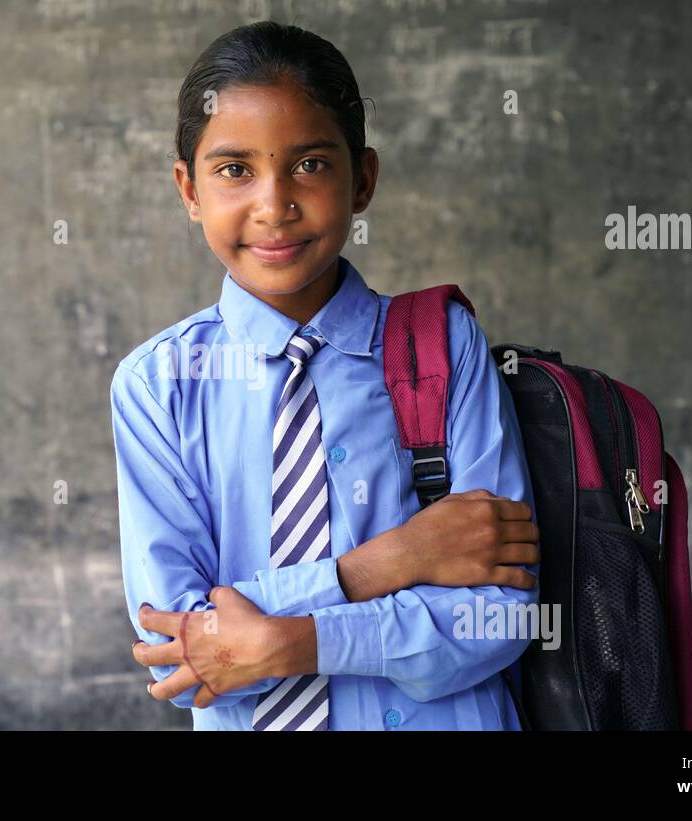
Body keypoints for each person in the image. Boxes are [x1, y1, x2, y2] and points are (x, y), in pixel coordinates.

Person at [109, 20, 540, 730]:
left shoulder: (441, 346)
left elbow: (503, 613)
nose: (274, 204)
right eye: (234, 169)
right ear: (189, 189)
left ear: (361, 178)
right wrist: (387, 562)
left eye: (309, 164)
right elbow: (177, 654)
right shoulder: (160, 386)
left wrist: (292, 643)